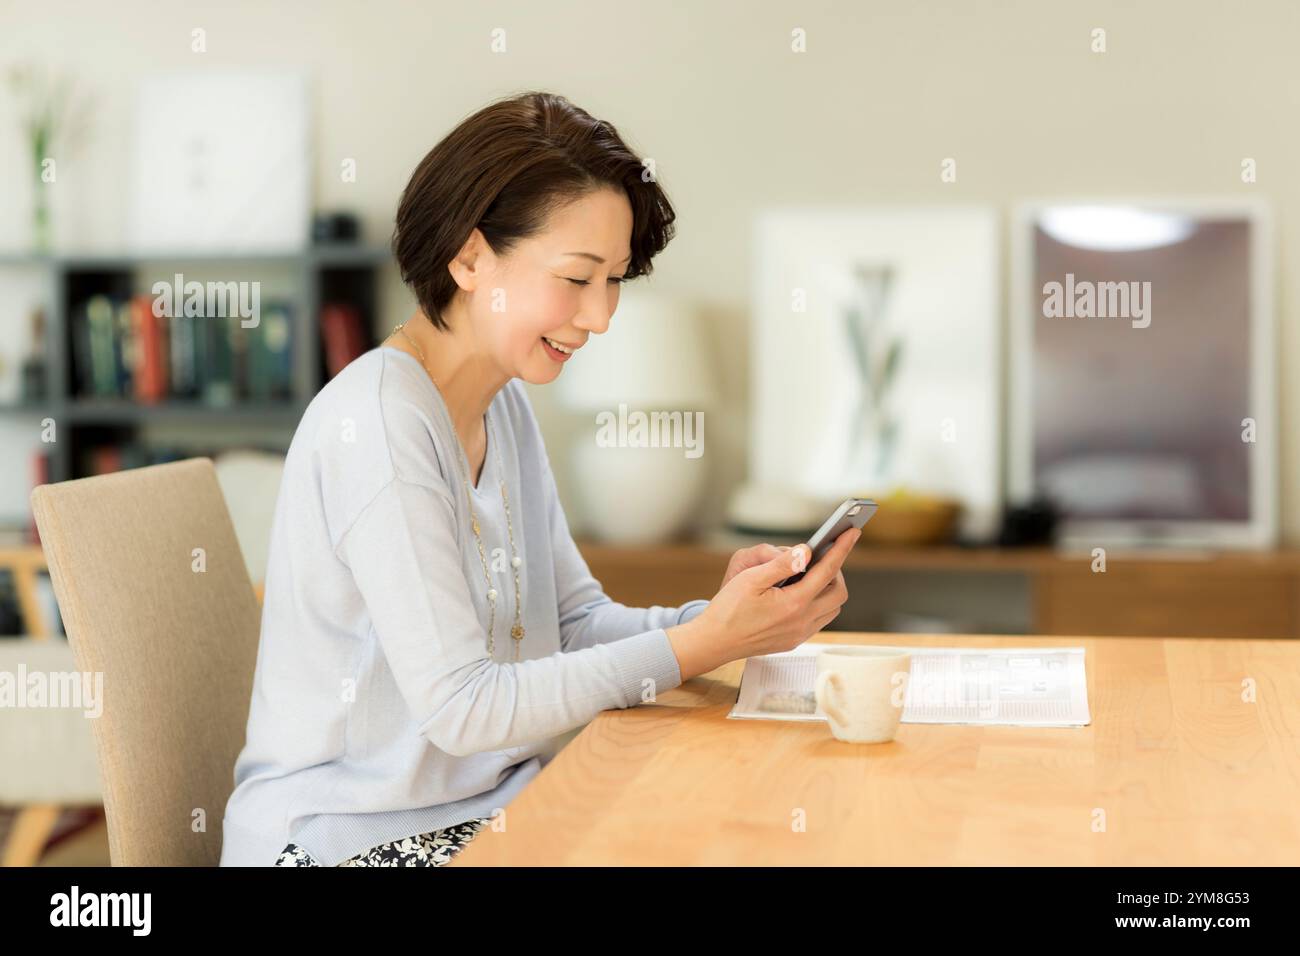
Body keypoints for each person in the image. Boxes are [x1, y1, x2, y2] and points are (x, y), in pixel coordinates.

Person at [218, 90, 856, 867]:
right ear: (470, 257)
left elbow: (574, 620)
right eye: (577, 277)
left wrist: (721, 619)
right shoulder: (380, 426)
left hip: (487, 811)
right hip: (346, 839)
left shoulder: (503, 404)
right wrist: (700, 645)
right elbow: (464, 710)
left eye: (615, 280)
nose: (600, 317)